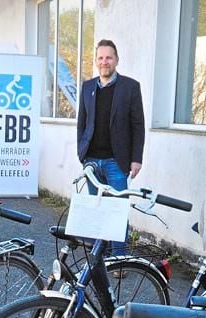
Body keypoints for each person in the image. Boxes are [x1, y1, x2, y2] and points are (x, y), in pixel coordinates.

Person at [76, 39, 145, 255]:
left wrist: (136, 158)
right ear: (96, 61)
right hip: (92, 162)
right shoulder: (88, 87)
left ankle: (119, 259)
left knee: (117, 211)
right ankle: (99, 260)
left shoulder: (130, 87)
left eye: (109, 57)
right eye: (101, 58)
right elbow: (82, 122)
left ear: (116, 60)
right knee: (97, 212)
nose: (104, 62)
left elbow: (138, 125)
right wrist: (82, 154)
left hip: (117, 161)